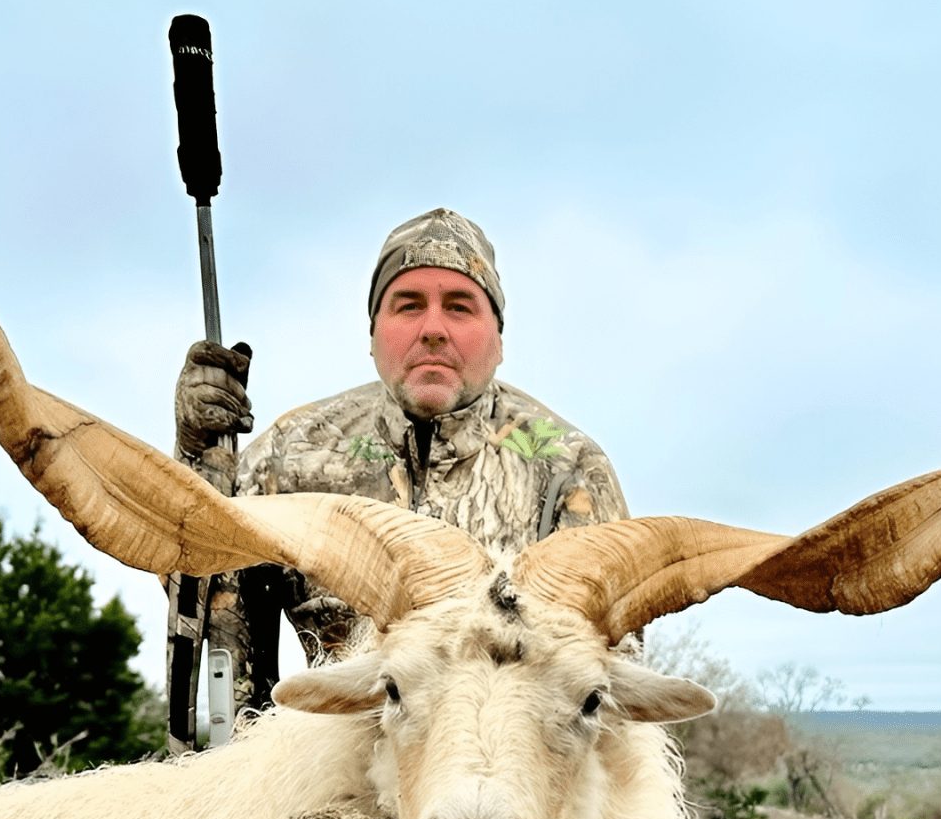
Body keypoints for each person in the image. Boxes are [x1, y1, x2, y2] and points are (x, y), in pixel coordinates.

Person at [173, 208, 628, 714]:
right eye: (408, 306)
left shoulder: (568, 468)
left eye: (459, 307)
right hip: (329, 751)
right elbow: (206, 611)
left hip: (509, 754)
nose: (433, 329)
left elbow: (603, 685)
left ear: (498, 340)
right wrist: (198, 456)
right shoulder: (290, 453)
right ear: (373, 335)